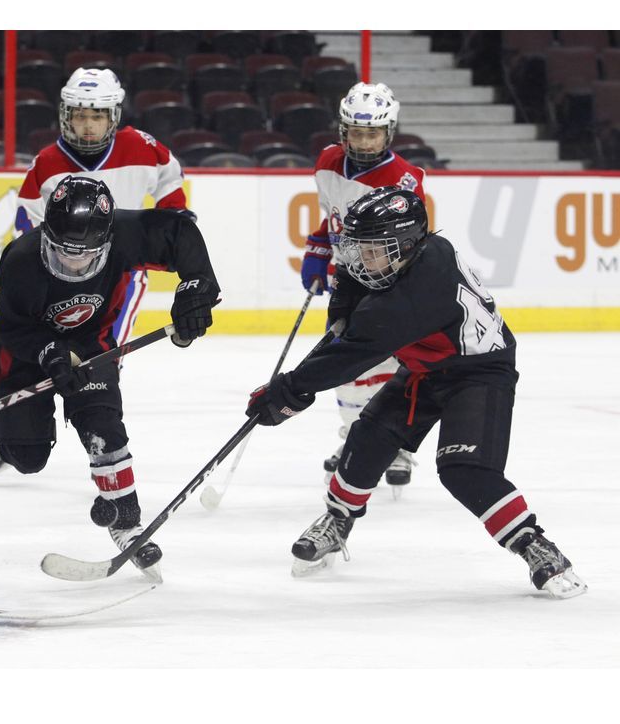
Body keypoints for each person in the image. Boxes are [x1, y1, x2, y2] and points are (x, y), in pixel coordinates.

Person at [246, 186, 587, 599]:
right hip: (425, 368)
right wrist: (341, 309)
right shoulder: (412, 255)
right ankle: (337, 520)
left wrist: (287, 393)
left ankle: (534, 544)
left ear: (405, 245)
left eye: (373, 250)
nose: (362, 258)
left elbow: (352, 356)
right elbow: (352, 276)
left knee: (464, 470)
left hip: (479, 373)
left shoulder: (416, 293)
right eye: (361, 248)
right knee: (368, 436)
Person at [0, 176, 219, 580]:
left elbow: (181, 232)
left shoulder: (125, 232)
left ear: (108, 240)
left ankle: (126, 521)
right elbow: (11, 330)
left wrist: (197, 288)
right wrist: (49, 353)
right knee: (26, 457)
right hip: (27, 353)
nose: (74, 263)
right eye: (63, 251)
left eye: (86, 254)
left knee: (103, 425)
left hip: (91, 343)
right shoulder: (20, 259)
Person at [0, 67, 187, 478]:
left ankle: (104, 458)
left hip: (119, 281)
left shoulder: (142, 147)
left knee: (97, 366)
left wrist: (173, 216)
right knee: (32, 358)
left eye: (97, 116)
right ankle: (9, 426)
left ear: (113, 116)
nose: (88, 125)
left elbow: (170, 176)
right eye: (80, 115)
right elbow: (27, 229)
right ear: (65, 115)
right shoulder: (47, 163)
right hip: (57, 282)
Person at [301, 82, 426, 496]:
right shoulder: (326, 162)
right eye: (357, 132)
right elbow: (333, 218)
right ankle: (358, 439)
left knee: (390, 367)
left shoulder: (404, 180)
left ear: (389, 132)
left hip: (389, 284)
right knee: (344, 367)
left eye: (373, 133)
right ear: (343, 131)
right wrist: (319, 248)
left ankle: (396, 446)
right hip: (347, 281)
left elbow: (411, 242)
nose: (365, 141)